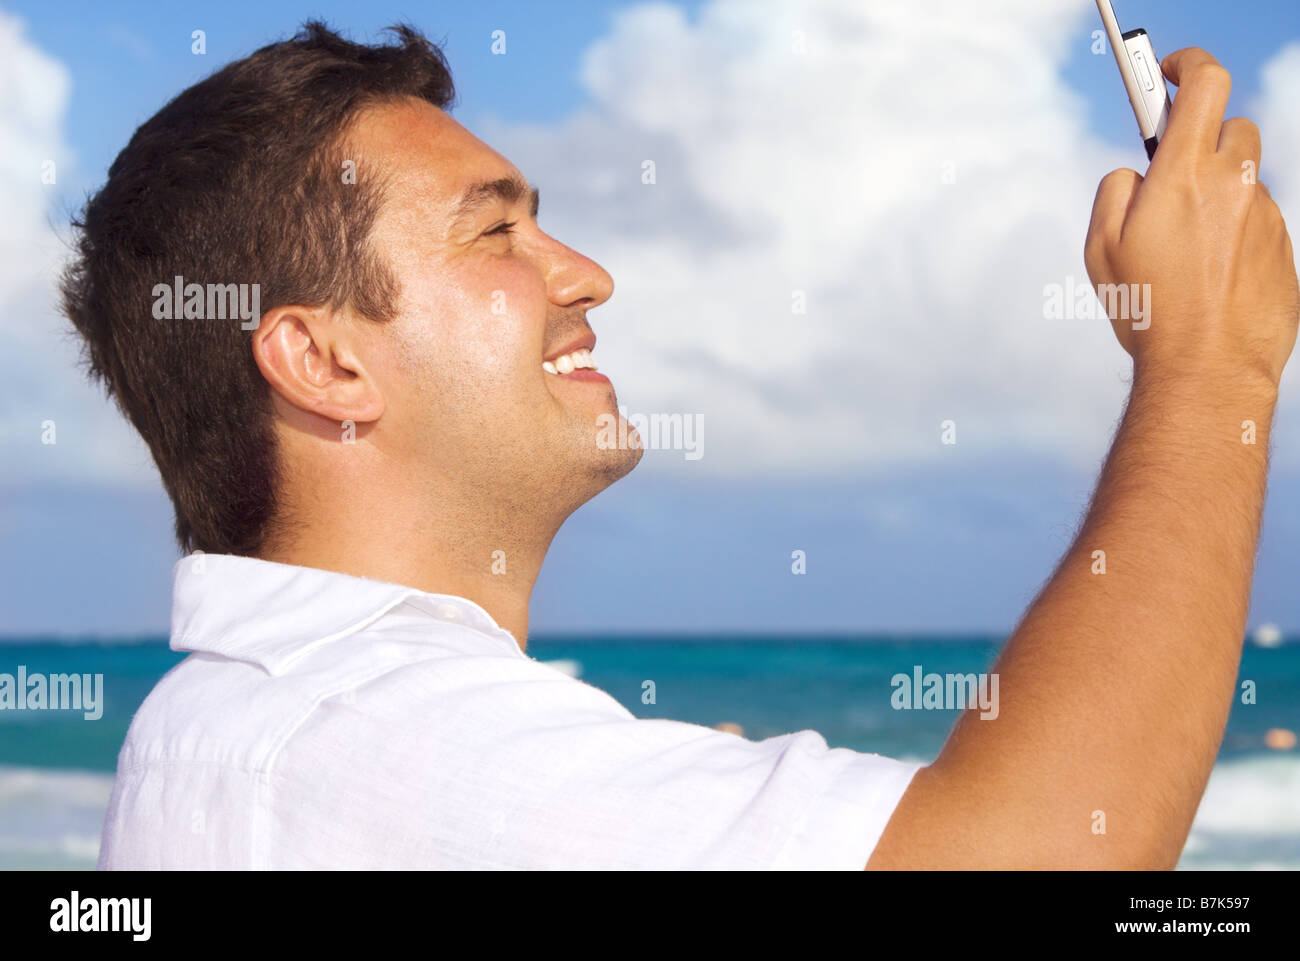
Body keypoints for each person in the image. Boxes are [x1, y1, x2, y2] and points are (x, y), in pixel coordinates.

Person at [64, 22, 1297, 869]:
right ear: (322, 359)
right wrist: (1207, 367)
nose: (585, 274)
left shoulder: (224, 719)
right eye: (493, 235)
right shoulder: (396, 741)